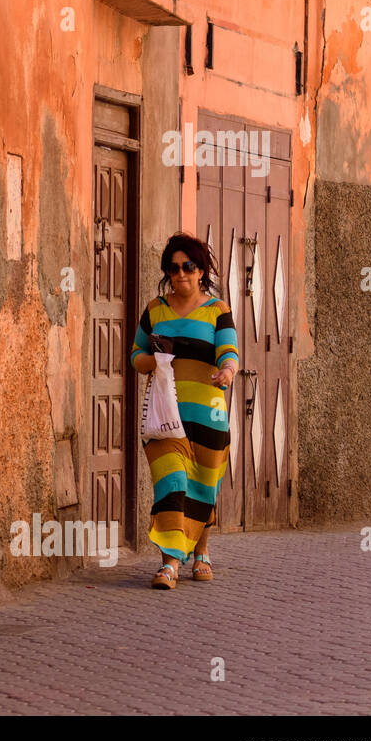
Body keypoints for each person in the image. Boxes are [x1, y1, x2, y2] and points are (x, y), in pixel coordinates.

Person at [129, 232, 238, 589]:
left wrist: (227, 371)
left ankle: (201, 552)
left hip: (208, 416)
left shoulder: (217, 310)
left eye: (188, 266)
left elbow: (229, 352)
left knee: (202, 488)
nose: (181, 274)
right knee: (173, 485)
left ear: (201, 269)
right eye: (173, 268)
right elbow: (135, 355)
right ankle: (169, 564)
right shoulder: (155, 309)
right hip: (164, 420)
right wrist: (154, 361)